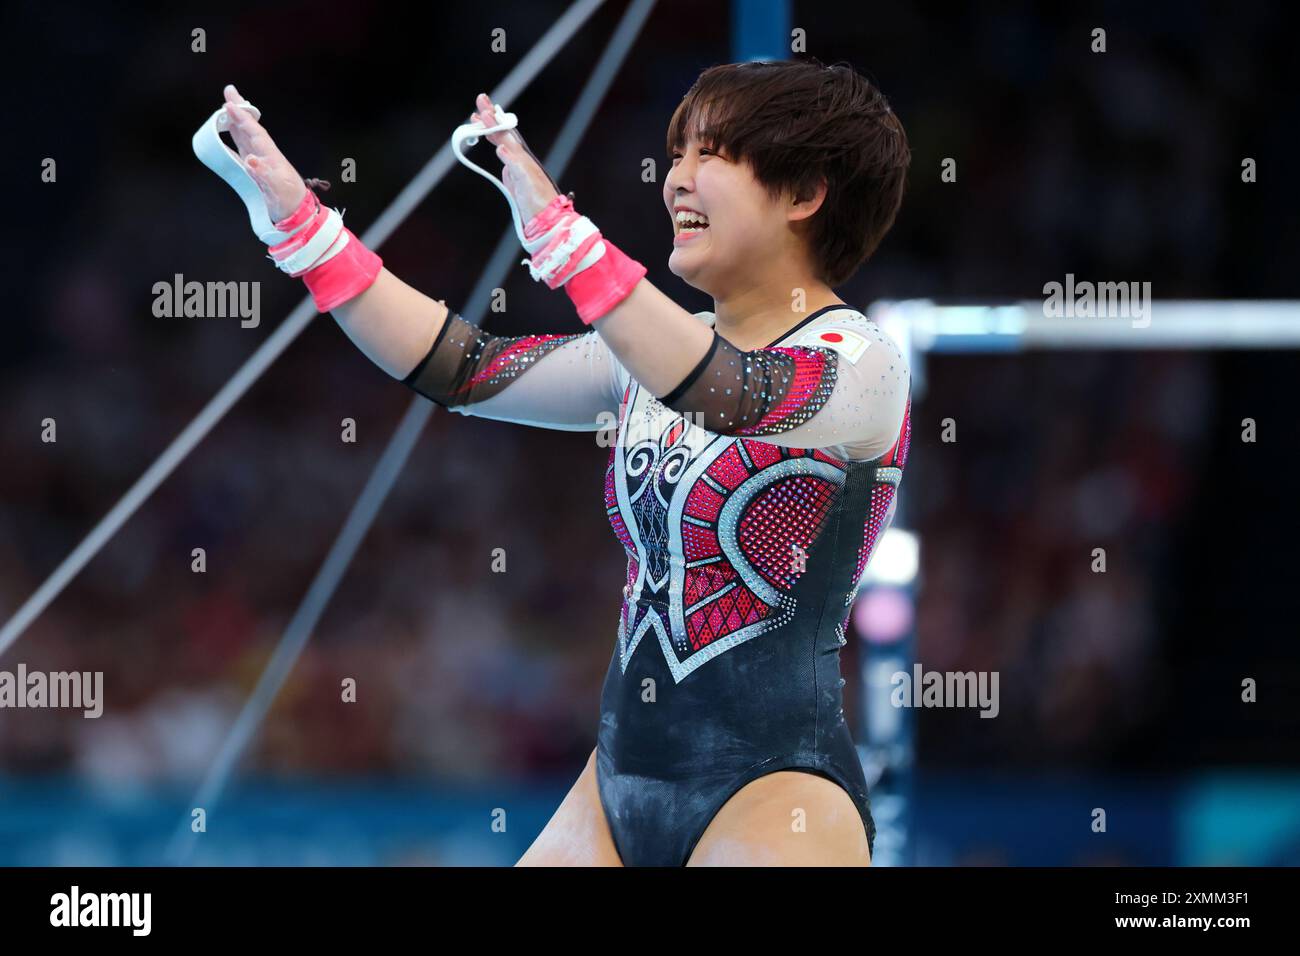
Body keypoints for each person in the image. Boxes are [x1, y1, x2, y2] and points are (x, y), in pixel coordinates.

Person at [211, 56, 911, 866]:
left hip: (778, 794)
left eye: (710, 155)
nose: (676, 180)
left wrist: (563, 238)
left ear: (804, 193)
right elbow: (461, 368)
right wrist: (304, 228)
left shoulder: (864, 364)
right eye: (677, 154)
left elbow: (732, 395)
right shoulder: (643, 363)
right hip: (614, 786)